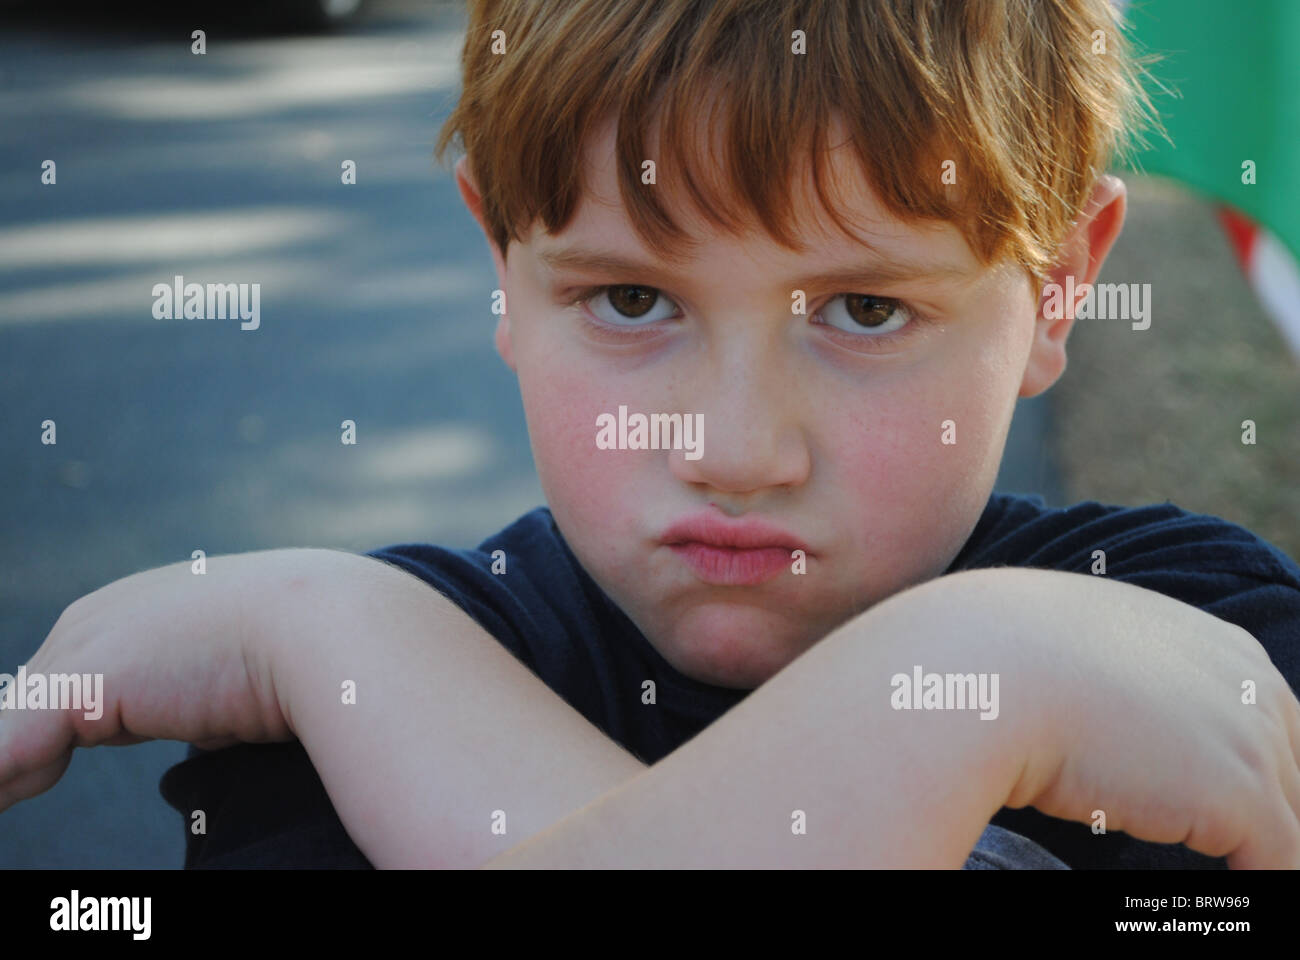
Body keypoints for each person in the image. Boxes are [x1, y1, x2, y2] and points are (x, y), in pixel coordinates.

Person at [4, 0, 1300, 869]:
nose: (737, 449)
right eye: (632, 299)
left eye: (866, 308)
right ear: (502, 272)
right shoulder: (316, 747)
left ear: (1061, 288)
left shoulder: (1196, 629)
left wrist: (327, 631)